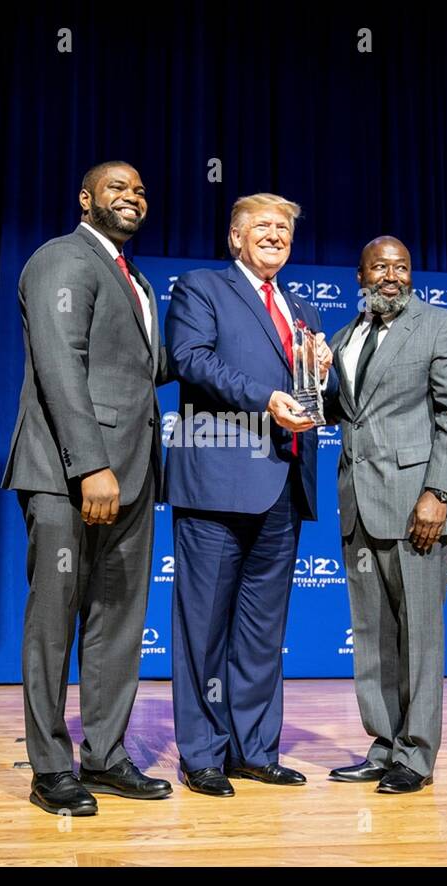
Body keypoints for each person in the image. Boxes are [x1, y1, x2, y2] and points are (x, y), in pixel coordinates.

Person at [1, 161, 173, 815]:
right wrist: (87, 466)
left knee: (117, 624)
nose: (132, 195)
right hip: (69, 476)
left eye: (140, 188)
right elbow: (59, 362)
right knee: (53, 623)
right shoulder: (62, 258)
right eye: (117, 188)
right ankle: (51, 768)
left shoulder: (138, 283)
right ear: (85, 199)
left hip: (132, 477)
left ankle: (104, 757)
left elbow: (147, 370)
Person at [164, 193, 335, 797]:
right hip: (216, 484)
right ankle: (203, 754)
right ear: (235, 238)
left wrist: (320, 369)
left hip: (283, 487)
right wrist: (267, 399)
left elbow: (315, 399)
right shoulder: (201, 288)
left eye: (283, 227)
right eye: (261, 226)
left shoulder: (301, 309)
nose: (273, 235)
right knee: (203, 630)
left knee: (263, 633)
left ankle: (254, 750)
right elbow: (191, 360)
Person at [325, 236, 447, 794]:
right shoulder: (344, 337)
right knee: (372, 635)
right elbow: (338, 410)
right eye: (379, 266)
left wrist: (438, 493)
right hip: (359, 505)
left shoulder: (443, 326)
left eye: (401, 267)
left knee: (419, 635)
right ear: (360, 274)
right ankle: (383, 743)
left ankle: (415, 756)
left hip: (418, 506)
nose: (391, 276)